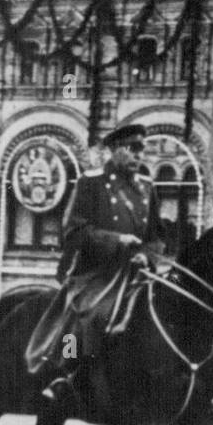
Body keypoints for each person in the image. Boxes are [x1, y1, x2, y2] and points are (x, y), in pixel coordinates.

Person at [25, 123, 160, 406]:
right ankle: (67, 373)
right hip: (96, 272)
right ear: (115, 150)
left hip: (136, 272)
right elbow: (74, 230)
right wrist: (117, 240)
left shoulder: (147, 188)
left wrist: (146, 255)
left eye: (141, 150)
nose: (139, 156)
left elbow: (156, 236)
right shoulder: (91, 182)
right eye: (132, 149)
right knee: (90, 314)